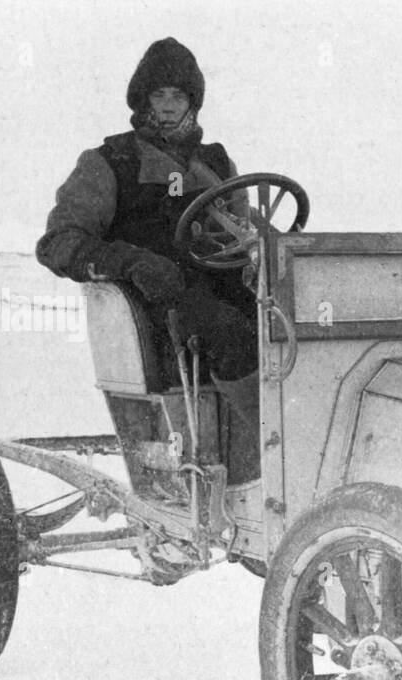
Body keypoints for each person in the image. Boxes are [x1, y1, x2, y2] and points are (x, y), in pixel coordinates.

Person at [36, 37, 260, 480]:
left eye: (179, 95)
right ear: (143, 100)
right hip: (158, 302)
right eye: (160, 94)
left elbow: (243, 224)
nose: (170, 105)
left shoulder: (215, 161)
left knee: (292, 328)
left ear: (193, 101)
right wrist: (132, 261)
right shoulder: (109, 162)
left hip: (223, 285)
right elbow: (59, 241)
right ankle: (276, 456)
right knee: (231, 334)